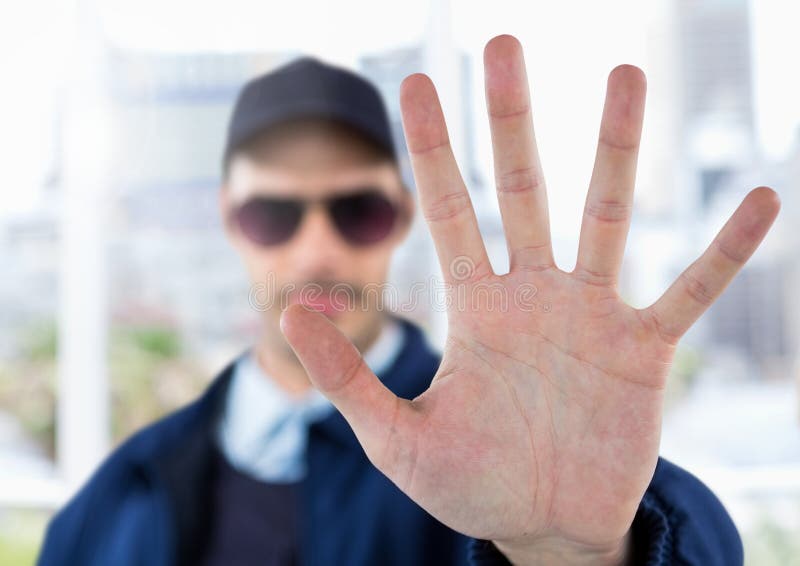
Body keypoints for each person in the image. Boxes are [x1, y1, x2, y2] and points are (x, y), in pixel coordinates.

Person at [37, 34, 780, 566]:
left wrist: (574, 559)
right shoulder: (119, 497)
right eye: (276, 214)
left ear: (400, 214)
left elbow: (698, 540)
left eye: (356, 208)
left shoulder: (535, 441)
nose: (317, 249)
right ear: (233, 222)